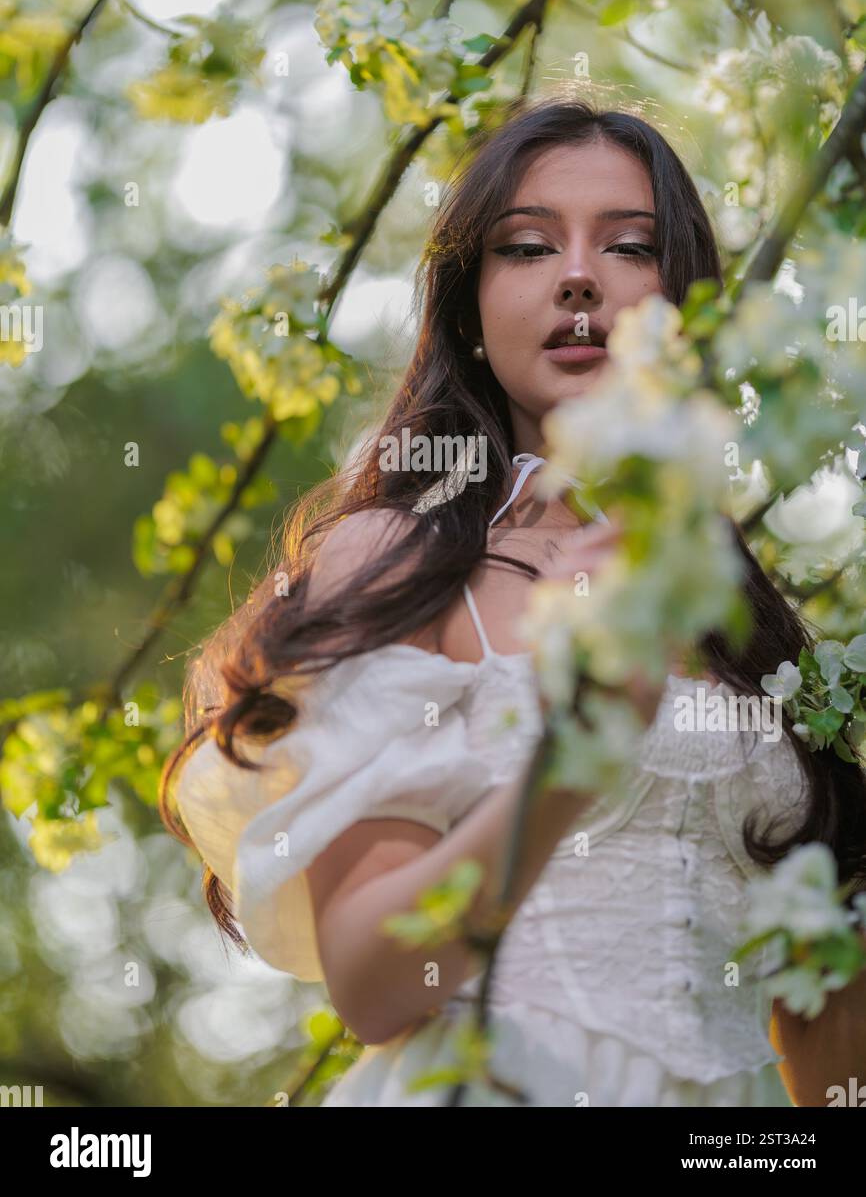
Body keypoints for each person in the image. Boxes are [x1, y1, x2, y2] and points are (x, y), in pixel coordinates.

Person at [161, 96, 866, 1107]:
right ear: (470, 309)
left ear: (689, 305)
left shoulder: (749, 635)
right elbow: (373, 981)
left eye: (628, 246)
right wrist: (570, 757)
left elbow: (819, 1046)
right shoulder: (397, 565)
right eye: (527, 247)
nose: (578, 275)